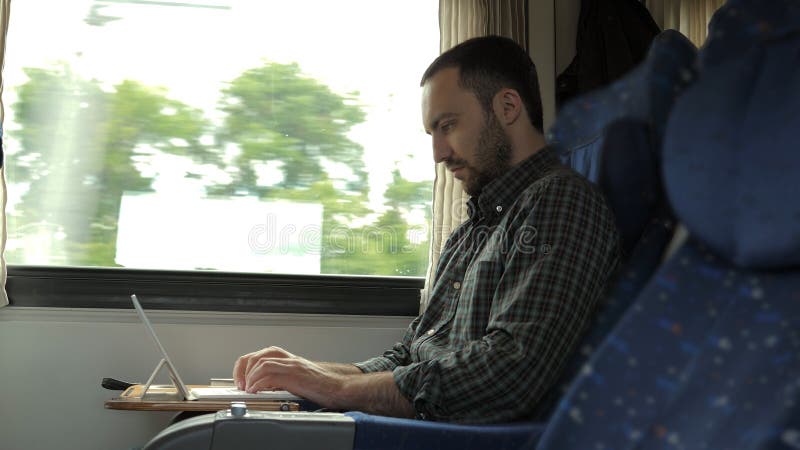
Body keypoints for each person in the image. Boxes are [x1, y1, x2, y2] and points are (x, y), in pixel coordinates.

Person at [232, 36, 621, 424]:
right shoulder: (471, 233)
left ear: (507, 107)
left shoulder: (560, 202)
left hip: (468, 439)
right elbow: (409, 354)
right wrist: (309, 374)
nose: (438, 153)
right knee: (217, 421)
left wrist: (336, 390)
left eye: (447, 126)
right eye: (432, 134)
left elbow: (509, 373)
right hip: (428, 426)